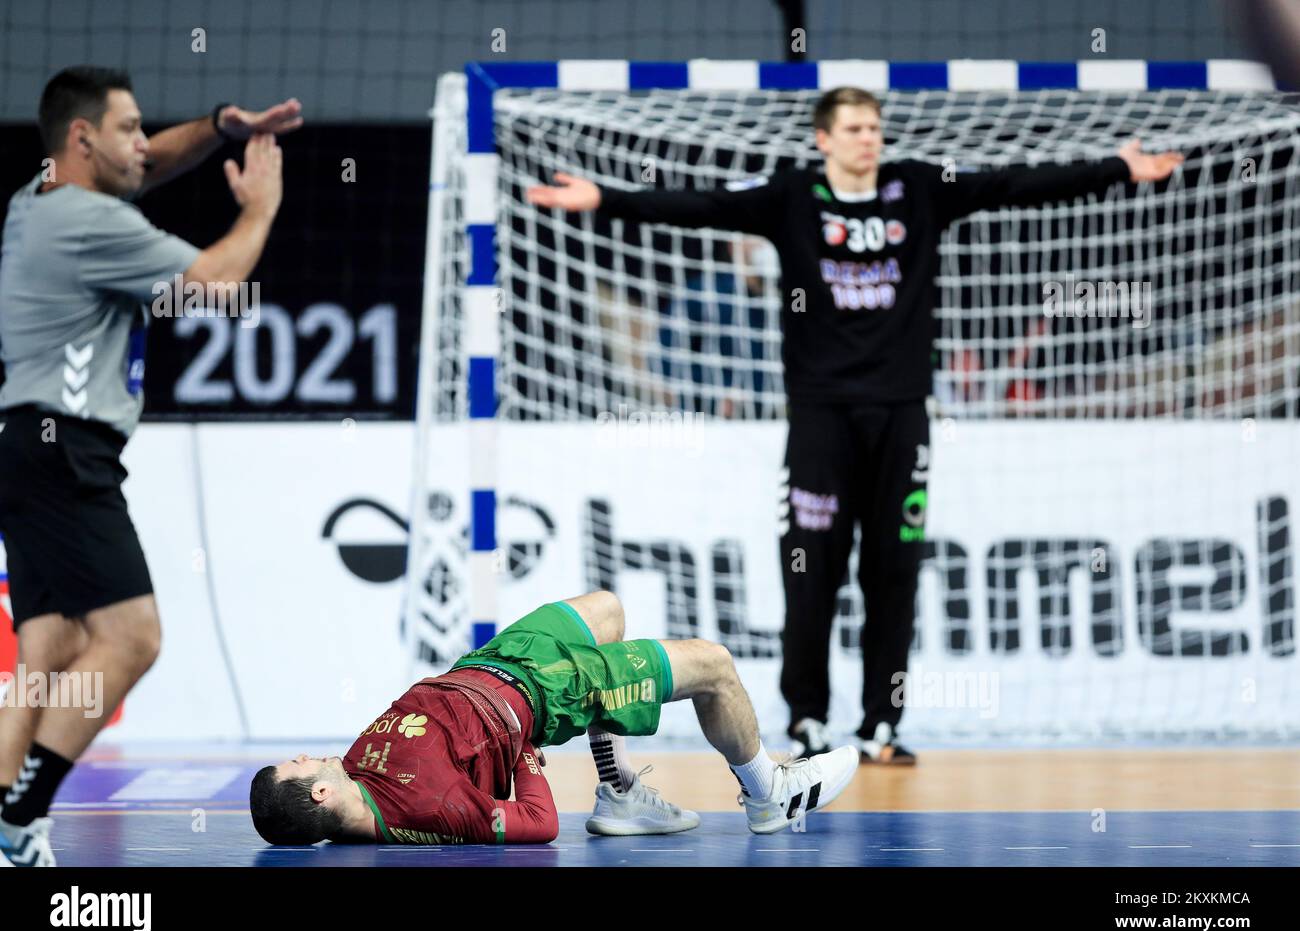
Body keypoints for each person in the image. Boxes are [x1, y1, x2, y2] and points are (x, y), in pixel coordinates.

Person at [526, 87, 1183, 763]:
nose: (869, 138)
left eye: (875, 127)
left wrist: (1116, 167)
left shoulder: (919, 189)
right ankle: (808, 719)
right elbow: (702, 206)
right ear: (824, 138)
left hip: (902, 416)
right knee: (810, 574)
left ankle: (882, 727)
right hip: (820, 417)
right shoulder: (792, 196)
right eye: (855, 128)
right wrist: (604, 197)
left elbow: (1013, 186)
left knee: (894, 574)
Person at [0, 66, 302, 867]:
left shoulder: (40, 202)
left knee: (48, 660)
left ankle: (5, 828)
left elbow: (150, 164)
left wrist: (217, 126)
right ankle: (17, 820)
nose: (144, 143)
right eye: (129, 127)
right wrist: (260, 207)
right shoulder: (85, 221)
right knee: (133, 638)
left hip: (26, 447)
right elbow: (213, 284)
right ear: (81, 138)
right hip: (66, 449)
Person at [249, 591, 859, 845]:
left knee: (607, 609)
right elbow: (539, 824)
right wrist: (526, 747)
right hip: (549, 691)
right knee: (715, 666)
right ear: (319, 792)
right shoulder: (430, 807)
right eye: (295, 764)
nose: (303, 753)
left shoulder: (356, 769)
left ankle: (619, 793)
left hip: (492, 661)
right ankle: (770, 793)